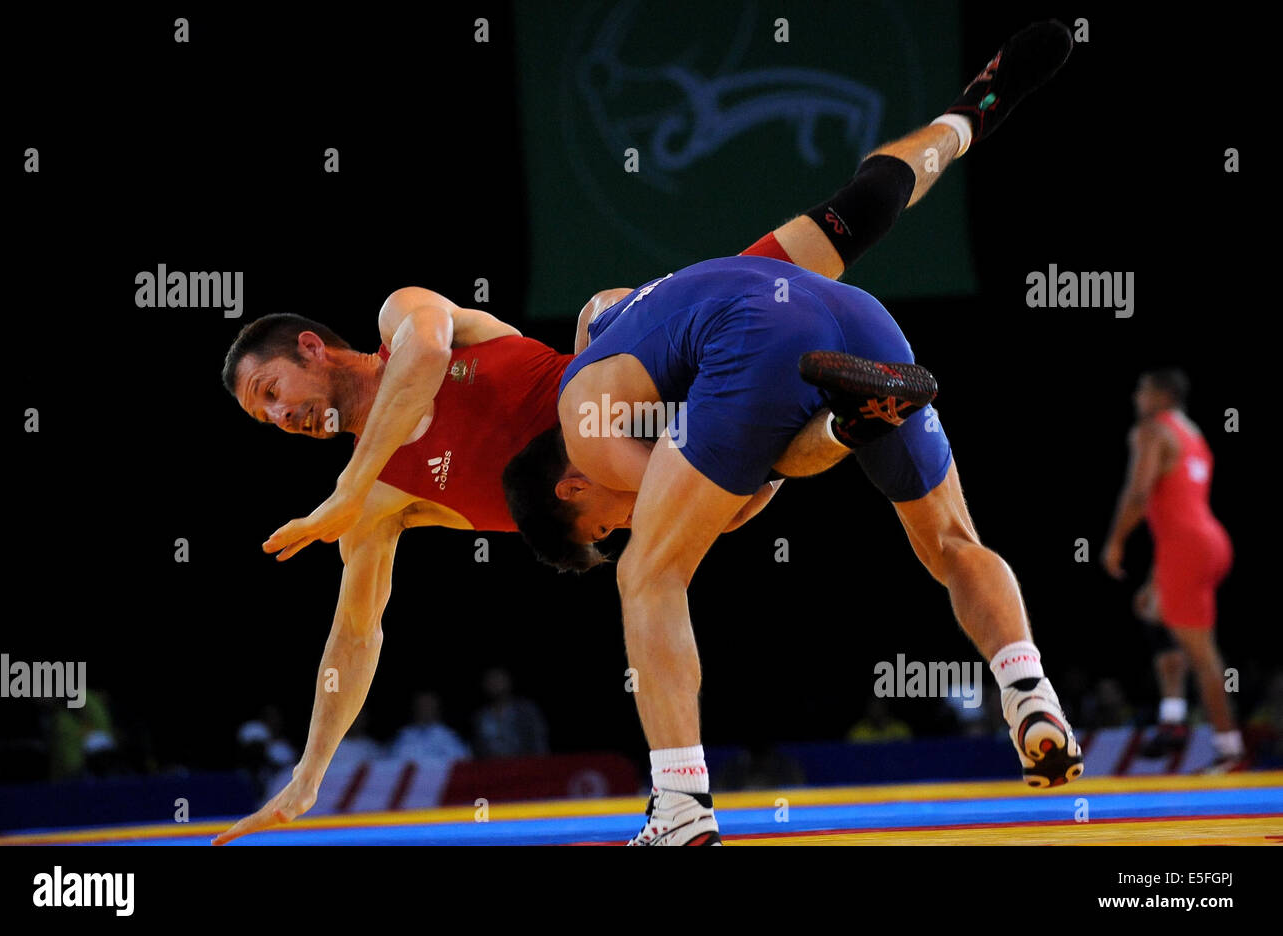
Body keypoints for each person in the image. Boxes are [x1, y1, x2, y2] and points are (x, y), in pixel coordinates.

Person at [213, 20, 1075, 845]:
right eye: (265, 419)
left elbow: (422, 362)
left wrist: (347, 488)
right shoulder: (384, 503)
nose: (281, 416)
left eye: (272, 390)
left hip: (646, 371)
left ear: (313, 348)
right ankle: (955, 147)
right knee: (847, 245)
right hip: (696, 347)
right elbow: (356, 634)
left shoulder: (407, 323)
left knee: (664, 539)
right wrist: (308, 777)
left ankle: (681, 805)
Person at [1103, 369, 1242, 771]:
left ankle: (1228, 748)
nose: (1136, 397)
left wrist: (1115, 541)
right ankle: (1173, 718)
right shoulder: (1192, 433)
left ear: (1161, 395)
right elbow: (1179, 505)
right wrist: (1155, 576)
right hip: (1206, 542)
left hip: (1188, 547)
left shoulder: (1151, 431)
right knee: (1151, 609)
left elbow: (1139, 492)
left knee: (1203, 655)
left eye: (1142, 390)